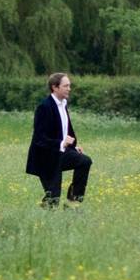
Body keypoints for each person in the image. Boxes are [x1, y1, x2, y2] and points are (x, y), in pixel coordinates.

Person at [25, 72, 91, 207]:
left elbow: (66, 131)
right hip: (46, 157)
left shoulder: (63, 104)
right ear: (55, 87)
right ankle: (43, 213)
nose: (69, 89)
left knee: (84, 161)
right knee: (53, 200)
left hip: (60, 153)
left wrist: (73, 147)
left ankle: (73, 201)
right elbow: (39, 138)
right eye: (66, 86)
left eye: (69, 86)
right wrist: (61, 143)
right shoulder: (44, 107)